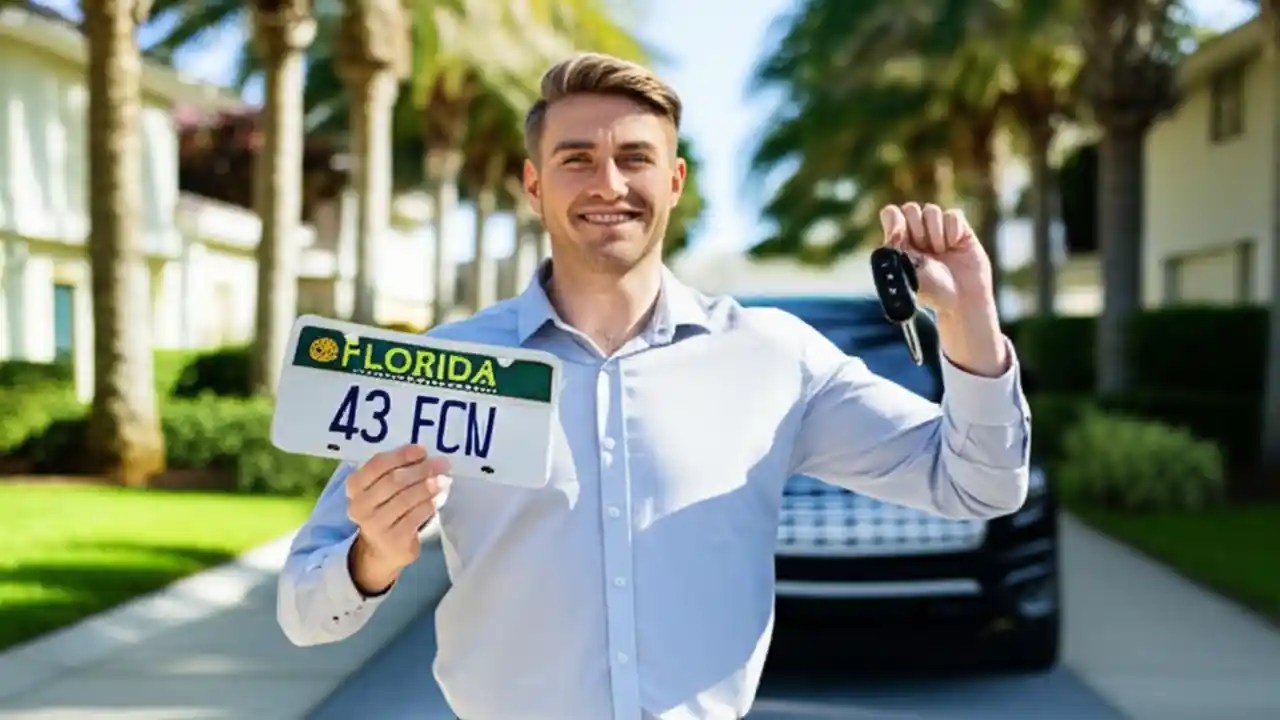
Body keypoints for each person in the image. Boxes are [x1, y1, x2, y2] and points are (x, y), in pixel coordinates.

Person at [277, 52, 1031, 720]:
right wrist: (373, 554)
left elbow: (980, 485)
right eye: (576, 158)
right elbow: (305, 612)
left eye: (634, 157)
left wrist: (969, 317)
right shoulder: (446, 367)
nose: (609, 183)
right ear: (534, 187)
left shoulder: (774, 358)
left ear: (673, 183)